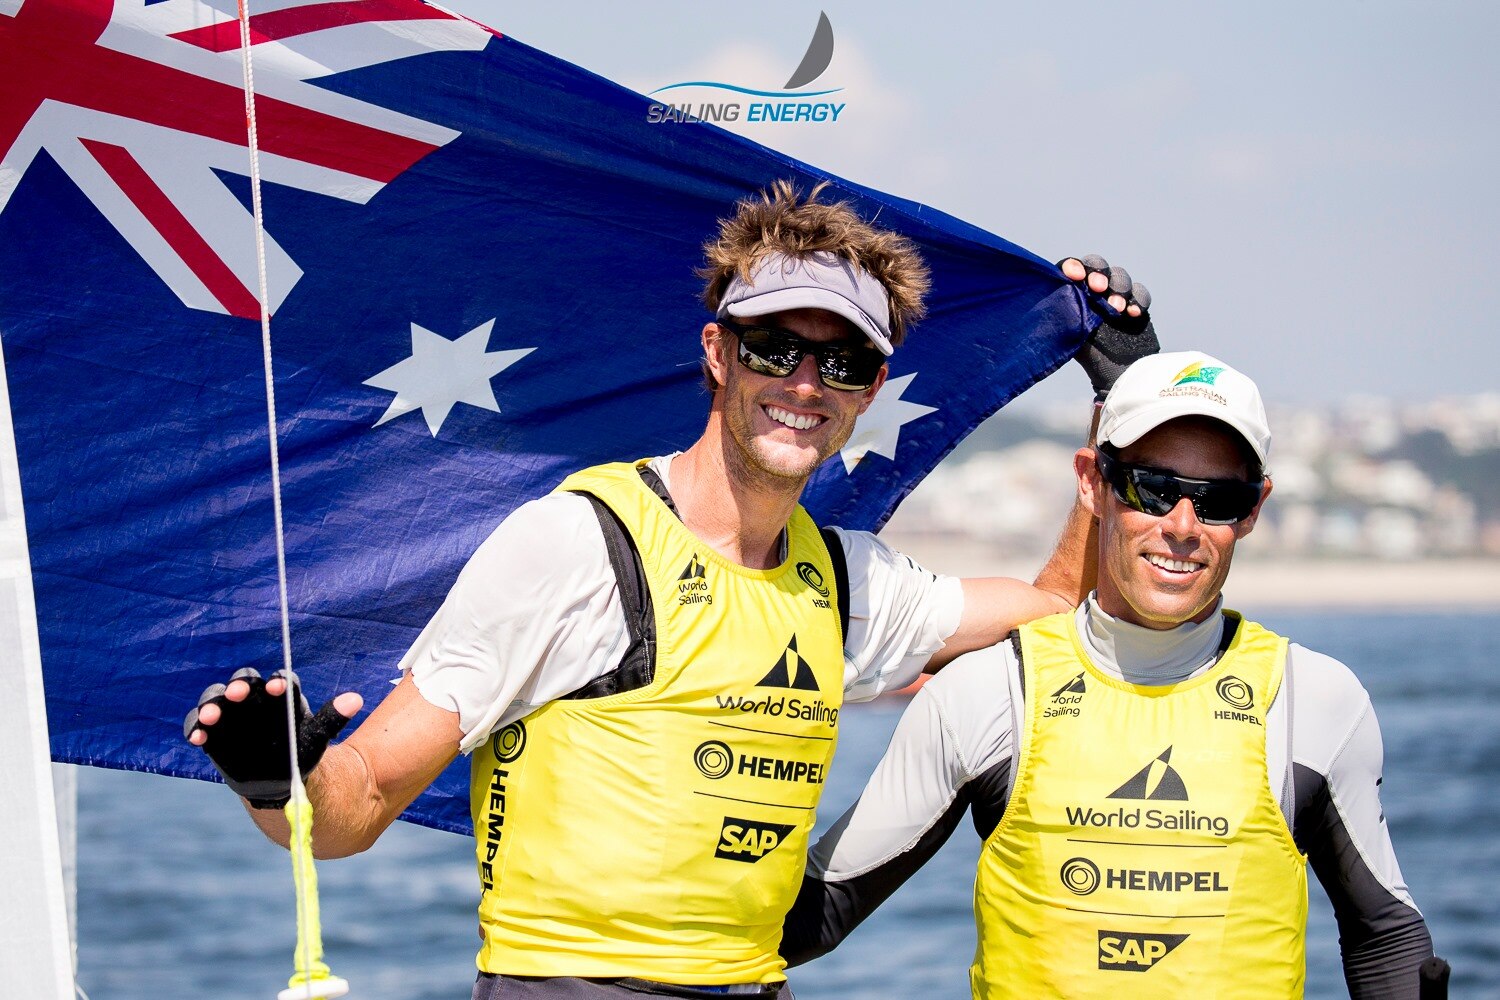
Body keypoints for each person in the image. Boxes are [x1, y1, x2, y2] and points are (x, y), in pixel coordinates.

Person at [184, 181, 1155, 999]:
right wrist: (278, 779)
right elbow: (351, 809)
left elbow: (1059, 616)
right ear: (719, 352)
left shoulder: (847, 581)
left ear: (870, 388)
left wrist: (1128, 407)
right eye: (777, 346)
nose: (805, 382)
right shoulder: (575, 546)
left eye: (843, 360)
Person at [782, 351, 1442, 998]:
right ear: (1093, 483)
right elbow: (818, 910)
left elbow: (1383, 934)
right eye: (1151, 489)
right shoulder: (988, 691)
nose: (1183, 527)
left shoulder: (1314, 700)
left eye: (1217, 501)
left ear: (1253, 509)